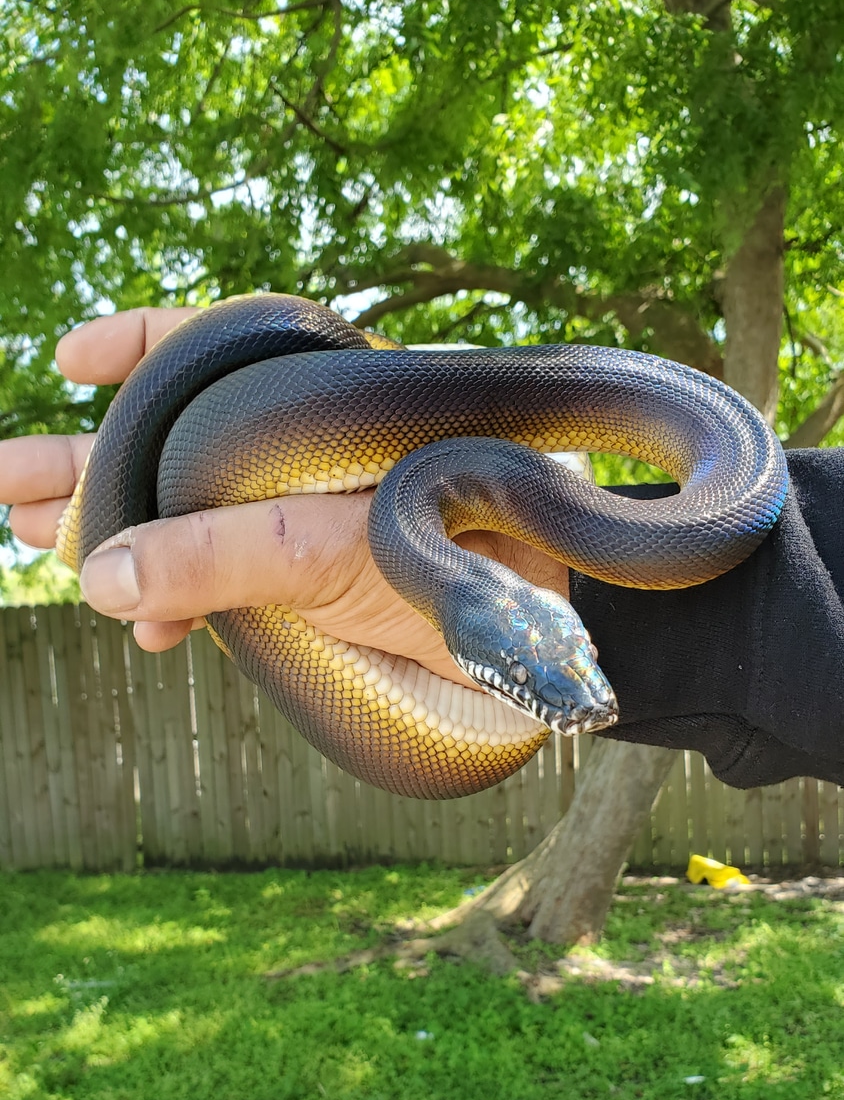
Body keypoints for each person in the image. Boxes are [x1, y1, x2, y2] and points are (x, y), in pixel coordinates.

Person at [1, 306, 842, 787]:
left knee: (189, 482)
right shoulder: (451, 513)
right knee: (188, 476)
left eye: (557, 667)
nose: (585, 703)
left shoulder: (452, 517)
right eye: (570, 656)